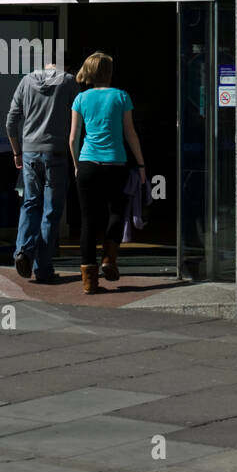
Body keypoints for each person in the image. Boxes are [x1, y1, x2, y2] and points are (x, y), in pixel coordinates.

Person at [69, 53, 147, 295]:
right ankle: (109, 259)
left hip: (88, 164)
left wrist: (76, 165)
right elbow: (130, 133)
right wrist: (142, 166)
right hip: (116, 163)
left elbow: (73, 137)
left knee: (88, 221)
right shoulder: (121, 96)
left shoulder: (81, 98)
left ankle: (89, 282)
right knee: (117, 212)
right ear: (109, 73)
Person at [6, 59, 77, 284]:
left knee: (30, 203)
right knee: (51, 212)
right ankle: (43, 268)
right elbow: (79, 121)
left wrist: (17, 151)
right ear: (64, 65)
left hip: (29, 153)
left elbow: (10, 122)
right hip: (56, 153)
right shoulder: (68, 82)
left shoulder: (26, 81)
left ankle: (22, 251)